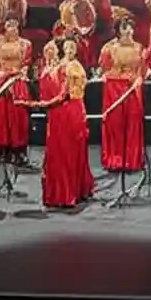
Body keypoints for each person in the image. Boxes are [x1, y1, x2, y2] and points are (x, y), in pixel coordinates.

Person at [28, 37, 96, 208]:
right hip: (63, 110)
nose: (70, 50)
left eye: (73, 46)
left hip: (77, 108)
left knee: (76, 148)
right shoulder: (58, 69)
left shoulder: (75, 66)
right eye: (67, 47)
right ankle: (65, 192)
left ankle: (78, 189)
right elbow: (56, 93)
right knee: (64, 150)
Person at [99, 18, 149, 172]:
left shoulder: (140, 48)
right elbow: (105, 69)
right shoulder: (108, 49)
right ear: (118, 30)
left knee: (133, 122)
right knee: (115, 123)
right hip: (114, 90)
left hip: (133, 89)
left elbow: (144, 69)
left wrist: (140, 78)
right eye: (124, 28)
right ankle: (115, 159)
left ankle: (132, 160)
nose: (128, 31)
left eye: (130, 28)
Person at [0, 16, 33, 164]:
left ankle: (19, 150)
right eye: (9, 26)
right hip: (2, 82)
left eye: (15, 26)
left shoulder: (25, 44)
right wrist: (1, 81)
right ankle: (1, 149)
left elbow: (26, 65)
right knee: (1, 117)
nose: (12, 29)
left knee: (19, 117)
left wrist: (19, 77)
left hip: (18, 81)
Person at [54, 0, 98, 67]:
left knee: (82, 46)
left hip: (81, 35)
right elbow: (63, 23)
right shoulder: (66, 4)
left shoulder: (86, 5)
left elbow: (89, 24)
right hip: (66, 34)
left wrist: (78, 30)